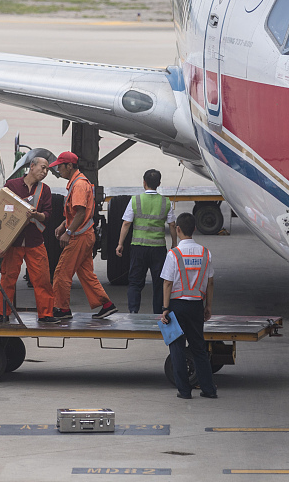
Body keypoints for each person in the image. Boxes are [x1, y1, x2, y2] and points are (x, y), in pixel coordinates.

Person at [48, 151, 117, 319]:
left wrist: (68, 231)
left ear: (69, 166)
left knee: (61, 273)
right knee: (86, 274)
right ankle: (106, 305)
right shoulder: (80, 182)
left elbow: (81, 212)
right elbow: (83, 211)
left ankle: (62, 309)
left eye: (60, 167)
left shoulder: (78, 185)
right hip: (86, 235)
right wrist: (63, 224)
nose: (58, 171)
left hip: (79, 237)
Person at [159, 211, 217, 399]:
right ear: (194, 228)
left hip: (176, 306)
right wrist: (208, 306)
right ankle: (209, 389)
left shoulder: (174, 254)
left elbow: (167, 283)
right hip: (195, 307)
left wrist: (165, 308)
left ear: (178, 229)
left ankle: (184, 391)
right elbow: (210, 282)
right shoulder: (205, 253)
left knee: (176, 347)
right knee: (198, 348)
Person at [0, 154, 58, 324]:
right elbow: (1, 207)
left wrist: (36, 215)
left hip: (34, 241)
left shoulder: (44, 190)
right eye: (43, 167)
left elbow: (47, 215)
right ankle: (2, 313)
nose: (45, 172)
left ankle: (46, 315)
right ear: (32, 167)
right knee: (7, 278)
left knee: (42, 279)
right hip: (14, 241)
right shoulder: (12, 185)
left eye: (47, 169)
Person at [115, 168, 176, 313]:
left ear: (144, 182)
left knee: (135, 282)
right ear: (159, 183)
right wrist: (174, 244)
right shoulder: (165, 202)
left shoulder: (135, 200)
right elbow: (172, 224)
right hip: (158, 249)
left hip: (138, 248)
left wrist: (120, 243)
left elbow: (126, 223)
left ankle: (134, 312)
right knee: (159, 282)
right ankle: (158, 314)